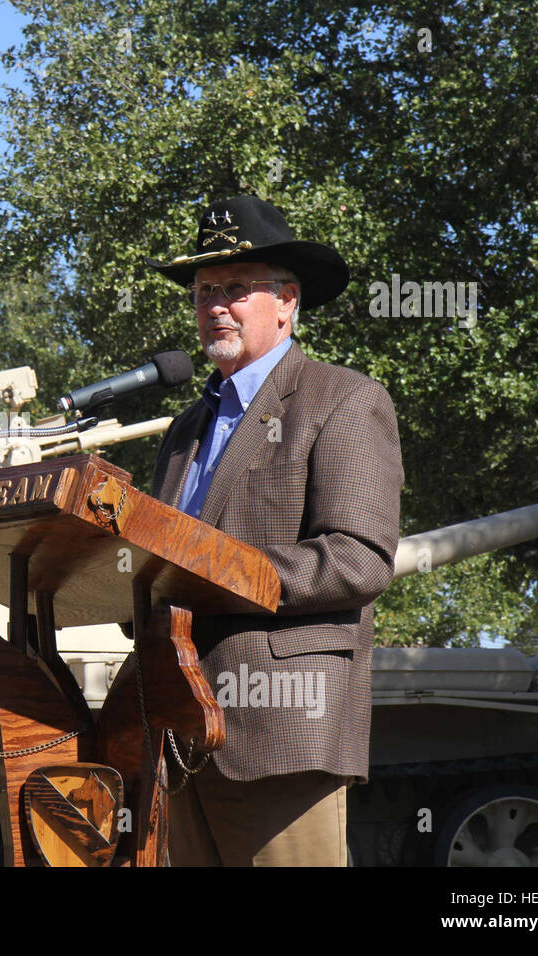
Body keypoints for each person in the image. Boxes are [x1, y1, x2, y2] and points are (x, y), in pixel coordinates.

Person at [144, 195, 403, 866]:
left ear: (287, 302)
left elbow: (359, 558)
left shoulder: (342, 400)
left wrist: (215, 571)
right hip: (180, 736)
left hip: (282, 733)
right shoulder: (183, 433)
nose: (215, 306)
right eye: (204, 291)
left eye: (235, 288)